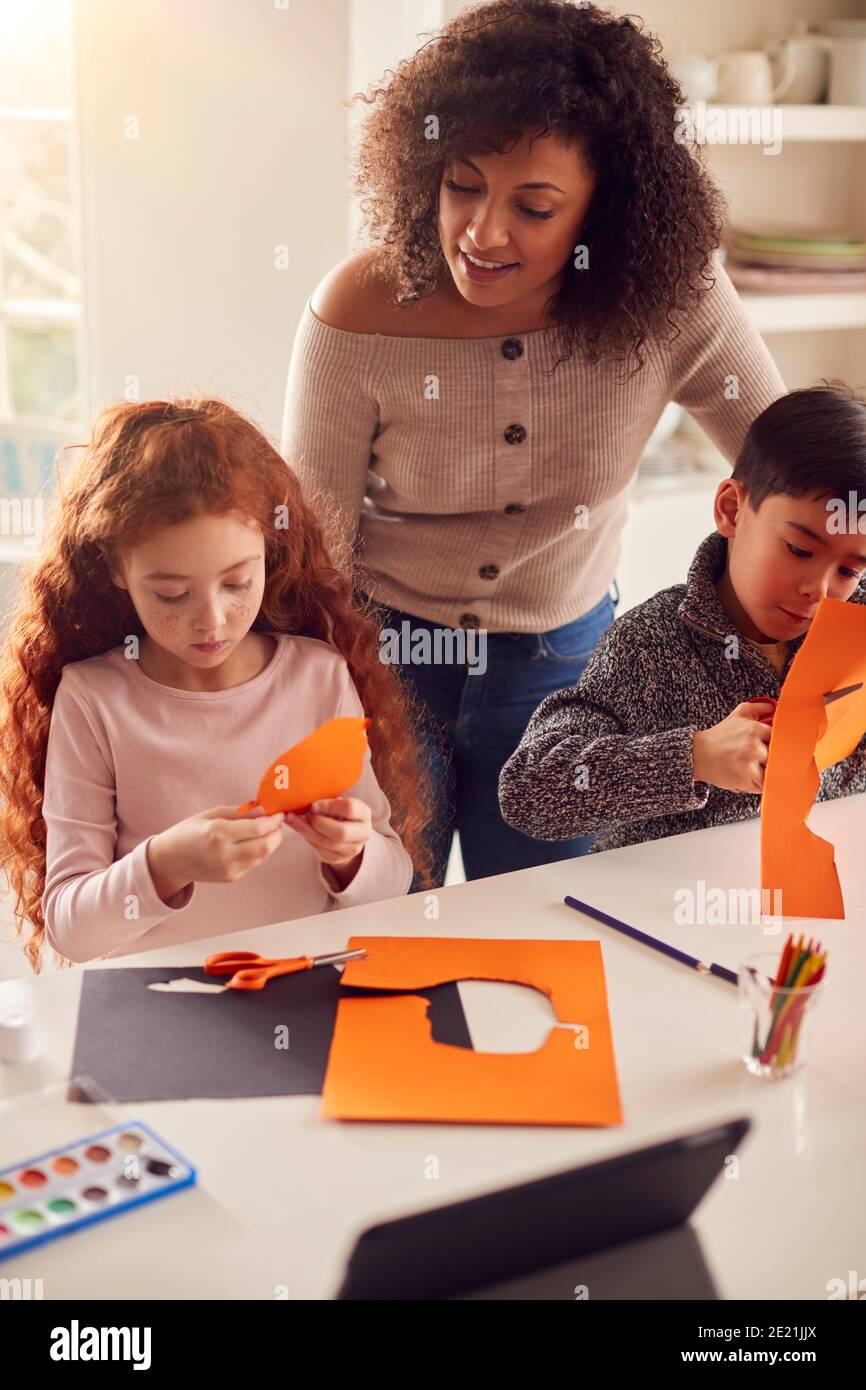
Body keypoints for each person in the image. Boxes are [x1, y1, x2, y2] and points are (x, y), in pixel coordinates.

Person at [281, 0, 786, 886]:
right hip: (387, 665)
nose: (482, 233)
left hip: (569, 674)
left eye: (535, 206)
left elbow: (795, 466)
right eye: (462, 185)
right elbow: (311, 550)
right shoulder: (360, 310)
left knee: (555, 915)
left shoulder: (673, 299)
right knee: (385, 916)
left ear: (605, 210)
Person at [0, 399, 433, 970]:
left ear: (269, 552)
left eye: (237, 583)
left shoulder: (319, 676)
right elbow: (70, 930)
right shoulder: (93, 698)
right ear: (115, 569)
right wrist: (165, 865)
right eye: (172, 594)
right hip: (160, 994)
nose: (211, 620)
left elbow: (391, 881)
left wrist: (351, 856)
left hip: (303, 980)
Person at [498, 383, 866, 851]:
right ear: (732, 510)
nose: (819, 590)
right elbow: (528, 791)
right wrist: (695, 757)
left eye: (849, 570)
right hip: (661, 894)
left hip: (813, 888)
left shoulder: (854, 631)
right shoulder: (647, 645)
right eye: (799, 550)